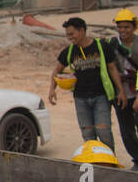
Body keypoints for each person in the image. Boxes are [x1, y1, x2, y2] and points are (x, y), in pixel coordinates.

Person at [49, 17, 123, 152]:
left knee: (104, 132)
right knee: (88, 135)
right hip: (80, 98)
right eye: (67, 35)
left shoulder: (101, 47)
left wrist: (121, 91)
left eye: (72, 34)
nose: (69, 38)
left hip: (101, 96)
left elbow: (112, 69)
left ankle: (110, 163)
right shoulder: (69, 51)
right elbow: (56, 71)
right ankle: (95, 163)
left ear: (82, 31)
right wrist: (52, 90)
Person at [105, 9, 138, 169]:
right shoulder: (111, 45)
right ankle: (137, 159)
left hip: (136, 91)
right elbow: (108, 68)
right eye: (120, 27)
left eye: (127, 27)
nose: (123, 30)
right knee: (127, 131)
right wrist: (120, 91)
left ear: (134, 27)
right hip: (120, 93)